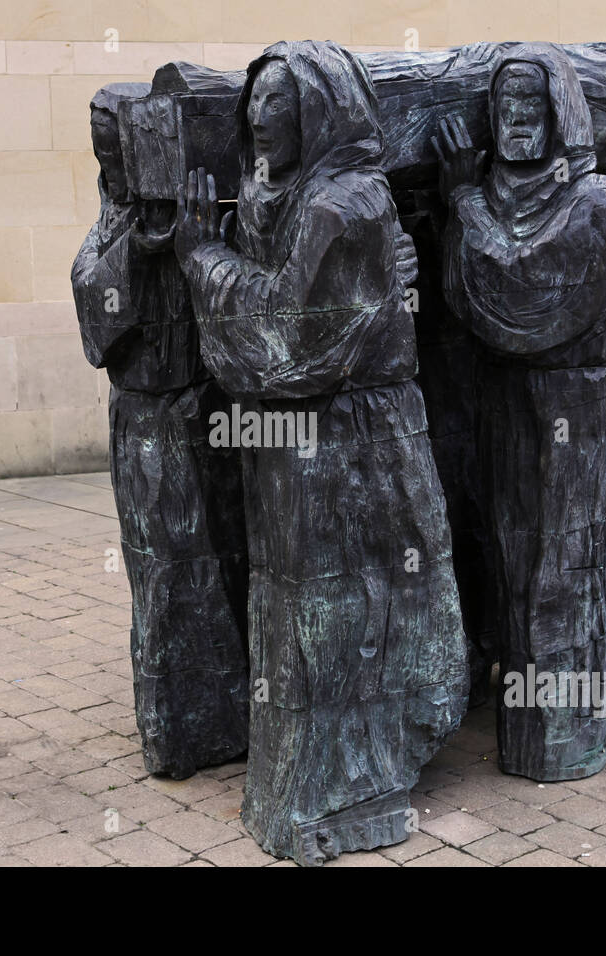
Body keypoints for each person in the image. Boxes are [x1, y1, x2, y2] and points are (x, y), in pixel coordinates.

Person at [174, 40, 468, 864]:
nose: (259, 117)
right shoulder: (278, 196)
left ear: (319, 111)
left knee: (352, 604)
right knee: (301, 606)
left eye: (279, 101)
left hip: (355, 440)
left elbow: (289, 335)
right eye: (255, 101)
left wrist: (203, 256)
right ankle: (306, 777)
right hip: (297, 443)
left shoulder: (347, 201)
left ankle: (352, 785)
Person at [436, 43, 606, 781]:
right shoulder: (487, 196)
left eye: (531, 103)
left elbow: (523, 292)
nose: (517, 119)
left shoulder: (602, 202)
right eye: (505, 106)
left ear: (561, 111)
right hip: (507, 400)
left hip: (578, 403)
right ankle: (528, 716)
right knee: (512, 557)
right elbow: (466, 301)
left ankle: (563, 733)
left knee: (567, 565)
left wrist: (463, 205)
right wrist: (466, 211)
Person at [71, 83, 250, 780]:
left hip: (215, 411)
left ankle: (240, 711)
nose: (108, 153)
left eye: (116, 139)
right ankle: (184, 726)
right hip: (149, 420)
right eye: (102, 142)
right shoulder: (116, 221)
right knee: (171, 575)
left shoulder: (206, 195)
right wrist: (145, 250)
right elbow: (96, 315)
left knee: (233, 559)